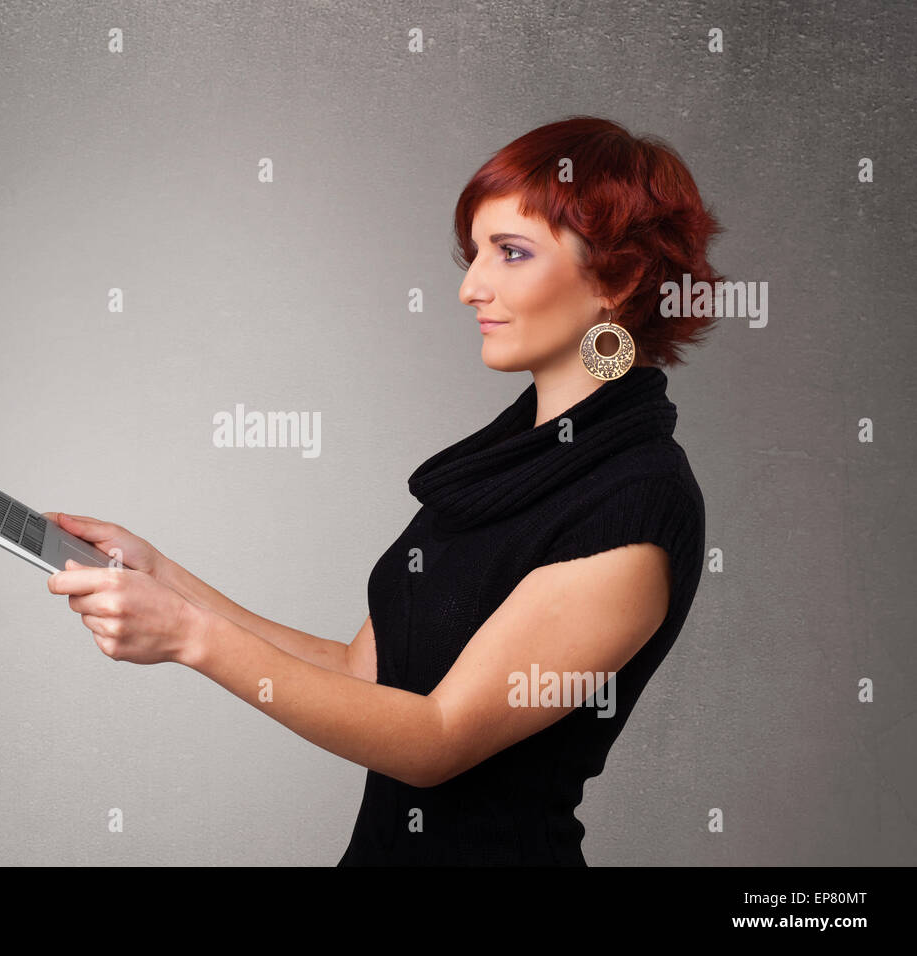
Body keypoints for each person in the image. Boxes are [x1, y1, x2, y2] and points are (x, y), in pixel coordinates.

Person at [46, 115, 722, 865]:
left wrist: (188, 638)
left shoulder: (636, 500)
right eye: (474, 253)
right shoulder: (502, 463)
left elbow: (436, 739)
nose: (471, 287)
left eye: (511, 253)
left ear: (619, 279)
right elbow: (357, 673)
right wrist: (163, 577)